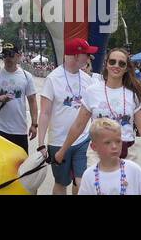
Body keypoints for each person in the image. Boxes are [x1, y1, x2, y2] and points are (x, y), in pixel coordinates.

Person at [55, 47, 141, 165]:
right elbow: (78, 125)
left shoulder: (133, 94)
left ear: (126, 68)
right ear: (106, 64)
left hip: (126, 154)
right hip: (98, 155)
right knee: (98, 183)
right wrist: (63, 150)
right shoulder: (92, 91)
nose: (116, 65)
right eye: (112, 62)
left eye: (121, 63)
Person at [36, 38, 97, 195]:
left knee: (82, 181)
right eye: (87, 55)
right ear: (76, 56)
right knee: (61, 183)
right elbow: (44, 113)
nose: (89, 59)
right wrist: (41, 143)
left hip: (83, 139)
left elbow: (94, 111)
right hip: (58, 141)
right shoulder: (53, 79)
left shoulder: (88, 80)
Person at [0, 43, 37, 154]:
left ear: (18, 56)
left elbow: (33, 101)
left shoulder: (26, 76)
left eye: (11, 55)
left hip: (19, 130)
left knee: (20, 167)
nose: (7, 58)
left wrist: (34, 124)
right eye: (5, 55)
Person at [77, 117, 141, 195]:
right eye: (107, 142)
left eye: (118, 141)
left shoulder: (133, 169)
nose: (114, 146)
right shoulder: (89, 175)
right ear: (94, 147)